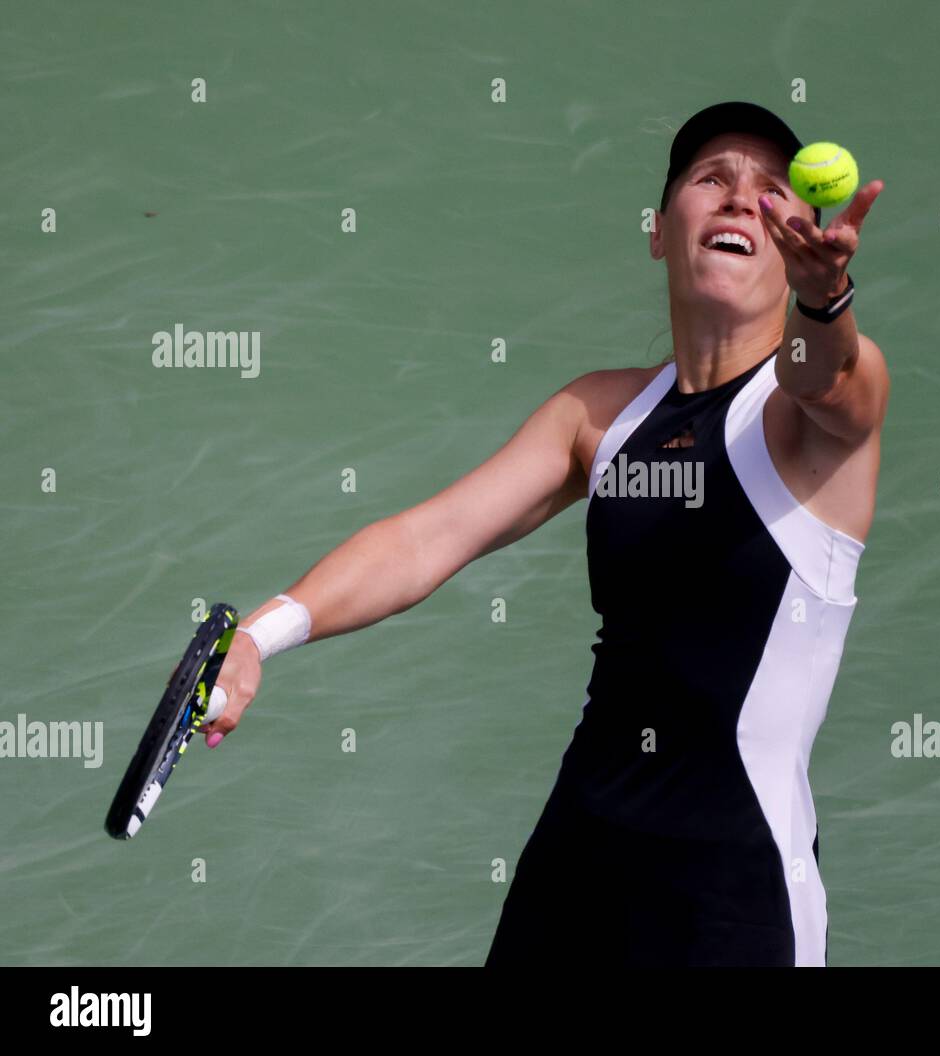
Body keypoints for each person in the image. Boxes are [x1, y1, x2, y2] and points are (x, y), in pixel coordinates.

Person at [203, 101, 889, 967]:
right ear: (658, 230)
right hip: (577, 866)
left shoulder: (804, 413)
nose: (736, 199)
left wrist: (825, 303)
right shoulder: (600, 415)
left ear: (798, 236)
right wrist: (262, 636)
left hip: (734, 894)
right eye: (710, 179)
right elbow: (429, 536)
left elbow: (833, 378)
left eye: (768, 192)